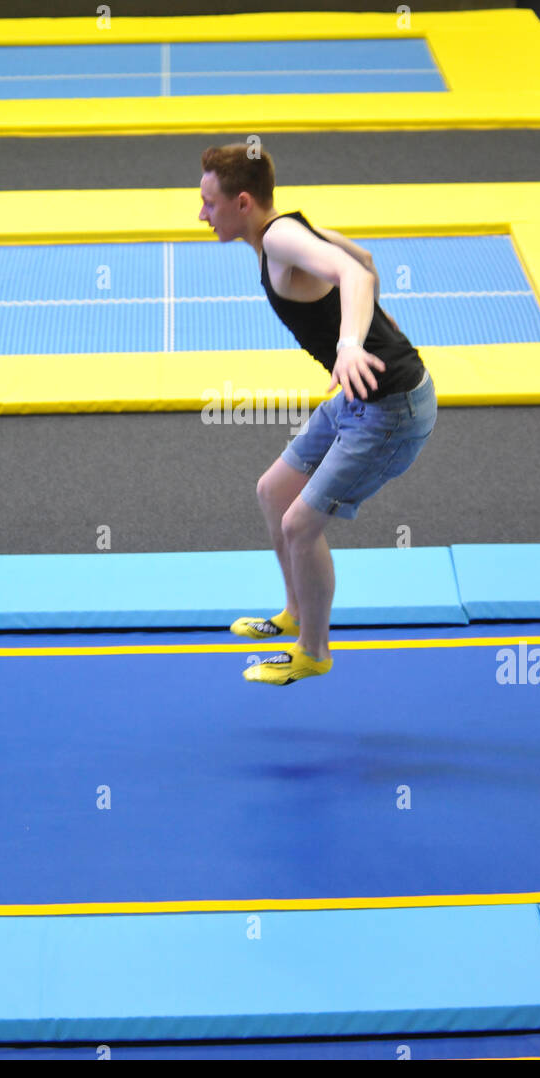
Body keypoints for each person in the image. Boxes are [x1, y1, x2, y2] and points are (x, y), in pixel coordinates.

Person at [198, 143, 437, 685]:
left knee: (300, 525)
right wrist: (381, 330)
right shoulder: (283, 232)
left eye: (208, 203)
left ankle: (313, 651)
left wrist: (352, 343)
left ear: (241, 202)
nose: (201, 215)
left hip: (392, 408)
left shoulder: (280, 237)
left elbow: (353, 277)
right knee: (272, 491)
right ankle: (296, 611)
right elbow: (367, 263)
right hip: (361, 398)